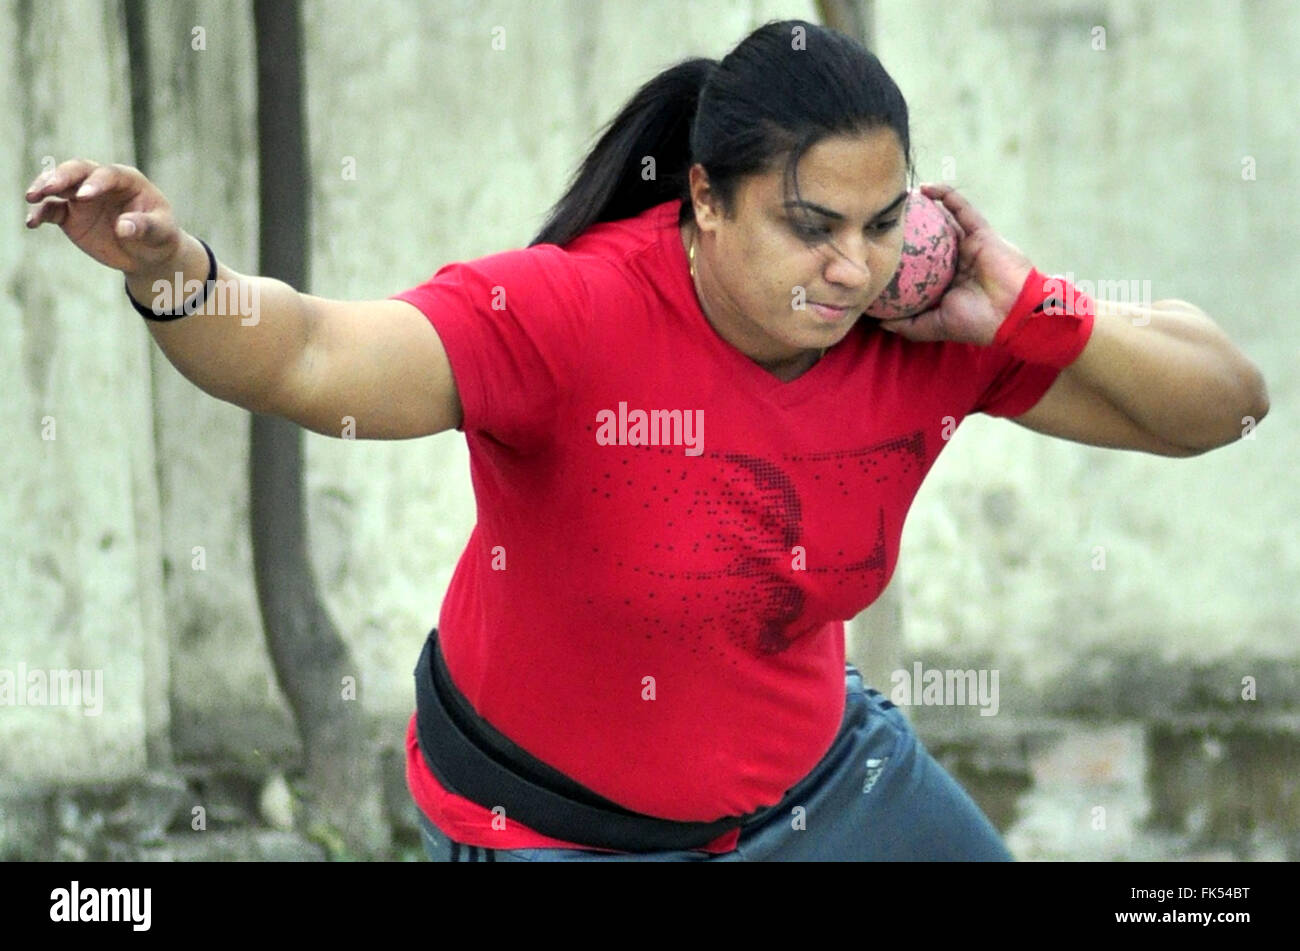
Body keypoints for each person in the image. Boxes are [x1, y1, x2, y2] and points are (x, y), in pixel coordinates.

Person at [25, 19, 1268, 862]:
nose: (851, 267)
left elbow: (1225, 402)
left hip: (820, 792)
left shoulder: (926, 319)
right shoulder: (567, 313)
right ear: (707, 204)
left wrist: (1028, 301)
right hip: (559, 830)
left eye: (884, 220)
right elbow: (305, 354)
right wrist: (177, 276)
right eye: (810, 226)